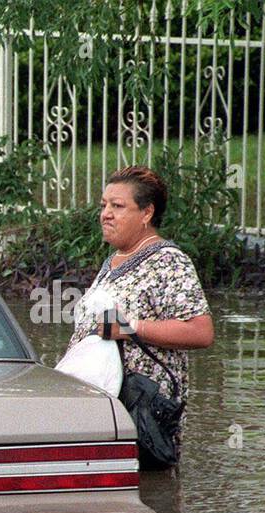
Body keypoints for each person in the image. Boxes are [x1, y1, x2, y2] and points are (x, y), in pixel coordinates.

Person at [66, 165, 215, 461]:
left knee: (141, 485)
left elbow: (201, 332)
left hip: (142, 414)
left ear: (146, 213)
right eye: (104, 205)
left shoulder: (168, 262)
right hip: (105, 408)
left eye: (117, 206)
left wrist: (130, 327)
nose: (106, 214)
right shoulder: (113, 261)